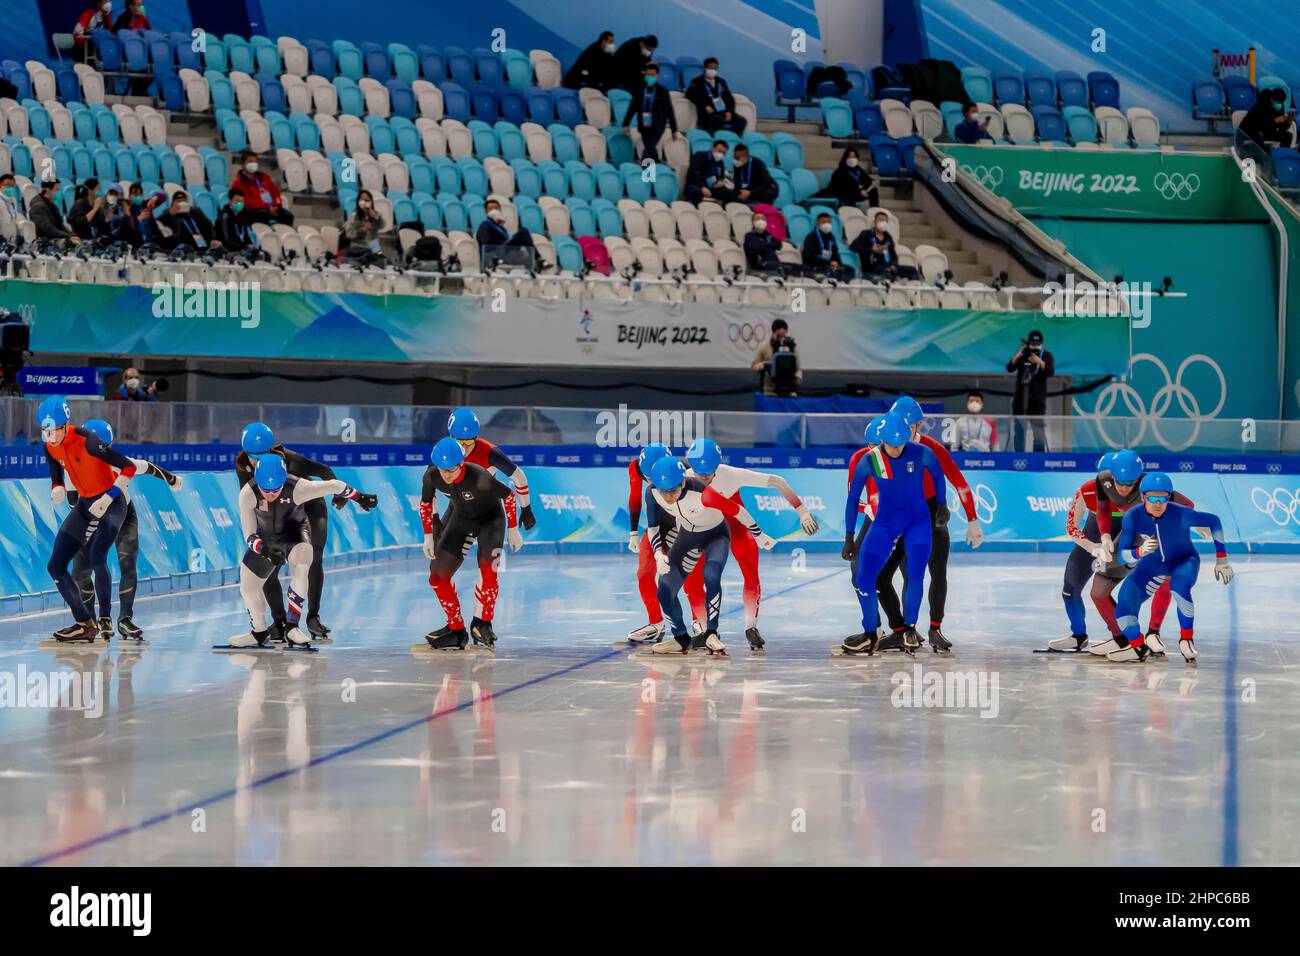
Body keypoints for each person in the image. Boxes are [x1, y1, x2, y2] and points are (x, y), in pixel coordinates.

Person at [852, 396, 983, 651]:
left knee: (936, 571)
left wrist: (973, 519)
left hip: (931, 513)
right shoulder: (884, 449)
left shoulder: (932, 449)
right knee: (892, 577)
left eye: (906, 425)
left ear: (917, 426)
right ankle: (903, 630)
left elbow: (959, 482)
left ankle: (935, 629)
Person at [1045, 451, 1193, 653]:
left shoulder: (1140, 493)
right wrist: (1092, 546)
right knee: (1070, 590)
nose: (1119, 490)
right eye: (1115, 483)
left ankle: (1146, 635)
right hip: (1095, 540)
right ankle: (1081, 636)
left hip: (1125, 541)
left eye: (1127, 483)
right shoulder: (1088, 491)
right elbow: (1071, 526)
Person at [683, 438, 819, 651]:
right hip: (706, 529)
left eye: (708, 472)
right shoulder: (684, 478)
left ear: (717, 466)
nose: (704, 477)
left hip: (738, 524)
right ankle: (701, 626)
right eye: (699, 472)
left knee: (750, 571)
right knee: (692, 577)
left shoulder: (731, 474)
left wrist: (801, 510)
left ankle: (750, 627)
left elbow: (778, 481)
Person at [230, 455, 376, 649]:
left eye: (276, 490)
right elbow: (249, 534)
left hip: (295, 533)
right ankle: (259, 632)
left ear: (283, 481)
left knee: (301, 565)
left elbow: (336, 485)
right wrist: (264, 550)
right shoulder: (248, 493)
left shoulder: (298, 487)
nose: (270, 495)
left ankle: (291, 626)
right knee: (247, 586)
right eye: (266, 490)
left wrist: (360, 498)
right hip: (266, 538)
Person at [642, 456, 775, 656]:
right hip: (688, 536)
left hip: (716, 535)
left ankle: (711, 633)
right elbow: (653, 528)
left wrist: (759, 534)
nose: (668, 496)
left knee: (711, 573)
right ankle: (681, 638)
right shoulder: (652, 493)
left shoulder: (701, 492)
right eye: (664, 491)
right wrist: (659, 555)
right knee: (664, 589)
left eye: (673, 490)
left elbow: (737, 510)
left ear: (683, 482)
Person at [840, 411, 945, 655]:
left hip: (917, 522)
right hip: (885, 522)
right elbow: (853, 497)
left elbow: (938, 476)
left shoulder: (920, 452)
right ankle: (870, 633)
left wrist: (942, 505)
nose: (897, 450)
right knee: (864, 576)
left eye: (901, 445)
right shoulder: (870, 459)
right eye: (892, 446)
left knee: (915, 575)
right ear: (881, 441)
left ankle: (909, 629)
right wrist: (848, 536)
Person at [70, 418, 183, 640]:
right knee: (81, 570)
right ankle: (90, 620)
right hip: (91, 513)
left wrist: (171, 479)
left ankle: (124, 619)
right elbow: (73, 501)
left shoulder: (117, 462)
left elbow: (148, 467)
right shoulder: (73, 467)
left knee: (127, 561)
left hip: (122, 513)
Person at [38, 396, 137, 643]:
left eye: (52, 431)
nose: (49, 436)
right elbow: (54, 465)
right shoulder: (49, 445)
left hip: (112, 504)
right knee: (55, 566)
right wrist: (57, 485)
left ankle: (105, 616)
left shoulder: (89, 441)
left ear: (64, 425)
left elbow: (128, 468)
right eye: (44, 431)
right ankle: (85, 624)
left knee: (97, 557)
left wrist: (111, 495)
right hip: (85, 504)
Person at [1106, 472, 1233, 663]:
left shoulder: (1182, 514)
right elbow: (1124, 556)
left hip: (1184, 560)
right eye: (1152, 498)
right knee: (1123, 606)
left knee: (1179, 588)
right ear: (1142, 497)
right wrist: (1139, 552)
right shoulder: (1133, 517)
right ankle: (1139, 647)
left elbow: (1214, 521)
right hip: (1153, 563)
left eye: (1163, 498)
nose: (1158, 503)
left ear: (1169, 498)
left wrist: (1221, 559)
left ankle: (1186, 639)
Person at [420, 438, 518, 649]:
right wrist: (428, 536)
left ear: (462, 463)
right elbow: (426, 503)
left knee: (488, 570)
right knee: (437, 576)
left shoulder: (479, 476)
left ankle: (482, 624)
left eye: (451, 469)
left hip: (491, 521)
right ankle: (456, 631)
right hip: (462, 519)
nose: (446, 474)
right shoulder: (431, 475)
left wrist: (513, 529)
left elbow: (509, 497)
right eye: (442, 469)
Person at [444, 407, 536, 613]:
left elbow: (519, 476)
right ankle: (454, 627)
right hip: (459, 512)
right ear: (450, 436)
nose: (466, 448)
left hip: (488, 515)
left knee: (487, 571)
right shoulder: (444, 451)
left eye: (470, 442)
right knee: (440, 571)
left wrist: (526, 509)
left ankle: (480, 621)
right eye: (460, 442)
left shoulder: (488, 451)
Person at [625, 443, 707, 644]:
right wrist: (633, 532)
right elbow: (635, 497)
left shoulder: (686, 470)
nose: (652, 484)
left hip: (687, 523)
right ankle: (656, 624)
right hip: (657, 523)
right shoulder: (635, 467)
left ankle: (700, 622)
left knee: (692, 578)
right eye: (648, 479)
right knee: (644, 573)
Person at [1006, 329, 1054, 451]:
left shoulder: (1047, 355)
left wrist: (1040, 362)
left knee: (1038, 434)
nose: (1035, 347)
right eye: (1032, 344)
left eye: (1038, 345)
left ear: (1042, 343)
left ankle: (1038, 460)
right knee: (1019, 432)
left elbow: (1050, 372)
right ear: (1028, 343)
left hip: (1037, 401)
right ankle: (1018, 459)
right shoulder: (1023, 354)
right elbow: (1010, 368)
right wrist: (1017, 356)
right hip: (1020, 400)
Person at [621, 62, 678, 164]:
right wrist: (626, 124)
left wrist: (674, 129)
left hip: (657, 126)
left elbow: (669, 110)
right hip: (644, 125)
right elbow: (632, 107)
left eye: (652, 75)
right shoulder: (639, 89)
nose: (649, 77)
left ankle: (646, 174)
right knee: (651, 149)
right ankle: (659, 167)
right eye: (647, 75)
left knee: (647, 152)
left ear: (657, 76)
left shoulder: (662, 91)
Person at [229, 150, 294, 226]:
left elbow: (276, 192)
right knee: (263, 214)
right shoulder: (238, 183)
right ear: (243, 165)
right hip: (252, 212)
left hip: (271, 208)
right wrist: (266, 206)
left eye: (255, 162)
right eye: (250, 161)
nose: (253, 164)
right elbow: (246, 203)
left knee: (288, 216)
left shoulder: (264, 178)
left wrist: (276, 205)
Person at [684, 57, 746, 135]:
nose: (712, 70)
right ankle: (718, 141)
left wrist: (730, 111)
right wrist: (704, 105)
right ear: (704, 68)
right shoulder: (697, 82)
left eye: (715, 68)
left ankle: (734, 139)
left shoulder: (721, 82)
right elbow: (689, 95)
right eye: (710, 68)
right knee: (718, 121)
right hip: (708, 113)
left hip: (723, 111)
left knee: (741, 121)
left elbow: (729, 98)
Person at [474, 198, 536, 269]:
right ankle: (538, 258)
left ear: (500, 210)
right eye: (490, 209)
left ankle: (533, 265)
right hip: (495, 252)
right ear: (486, 212)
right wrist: (502, 242)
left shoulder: (502, 228)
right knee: (523, 232)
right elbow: (485, 242)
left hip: (505, 251)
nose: (494, 211)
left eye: (496, 208)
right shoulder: (485, 225)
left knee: (524, 240)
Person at [752, 318, 800, 395]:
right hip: (770, 391)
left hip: (789, 390)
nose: (781, 338)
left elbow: (798, 369)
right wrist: (763, 365)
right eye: (778, 336)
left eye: (783, 335)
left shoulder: (792, 348)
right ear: (773, 332)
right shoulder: (763, 347)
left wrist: (797, 379)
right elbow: (754, 366)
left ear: (787, 332)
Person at [800, 212, 851, 279]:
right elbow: (810, 255)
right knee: (835, 271)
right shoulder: (811, 237)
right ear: (818, 223)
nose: (827, 224)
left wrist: (838, 263)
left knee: (848, 269)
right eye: (824, 222)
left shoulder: (831, 236)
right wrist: (829, 262)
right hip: (815, 266)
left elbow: (835, 253)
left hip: (830, 265)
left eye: (829, 223)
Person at [684, 141, 735, 205]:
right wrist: (702, 187)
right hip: (696, 184)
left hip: (712, 187)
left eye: (723, 153)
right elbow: (693, 173)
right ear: (713, 148)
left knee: (730, 193)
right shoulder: (699, 155)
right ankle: (697, 210)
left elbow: (721, 177)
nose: (721, 154)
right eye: (719, 151)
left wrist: (720, 182)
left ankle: (723, 210)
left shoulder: (720, 162)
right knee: (696, 191)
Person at [29, 178, 79, 243]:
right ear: (48, 190)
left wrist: (72, 235)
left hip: (56, 239)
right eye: (57, 190)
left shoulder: (49, 204)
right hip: (47, 243)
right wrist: (68, 236)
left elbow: (59, 225)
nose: (59, 192)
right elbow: (49, 229)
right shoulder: (38, 207)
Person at [849, 212, 897, 278]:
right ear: (875, 222)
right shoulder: (866, 234)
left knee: (911, 270)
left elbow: (893, 255)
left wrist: (893, 265)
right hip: (871, 267)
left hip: (887, 266)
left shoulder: (888, 237)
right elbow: (853, 246)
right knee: (886, 271)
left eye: (885, 221)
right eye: (881, 220)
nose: (883, 222)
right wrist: (871, 249)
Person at [344, 189, 383, 256]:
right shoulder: (354, 215)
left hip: (374, 247)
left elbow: (382, 226)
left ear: (371, 202)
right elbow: (349, 234)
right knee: (370, 257)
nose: (364, 202)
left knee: (386, 263)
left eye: (367, 200)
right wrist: (362, 230)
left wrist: (376, 217)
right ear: (358, 202)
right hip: (358, 247)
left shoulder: (375, 214)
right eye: (362, 200)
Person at [215, 188, 255, 254]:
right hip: (228, 249)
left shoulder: (242, 215)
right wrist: (242, 247)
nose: (240, 204)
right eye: (237, 201)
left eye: (242, 202)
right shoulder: (225, 216)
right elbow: (226, 239)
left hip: (241, 248)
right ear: (230, 201)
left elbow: (245, 234)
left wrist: (249, 244)